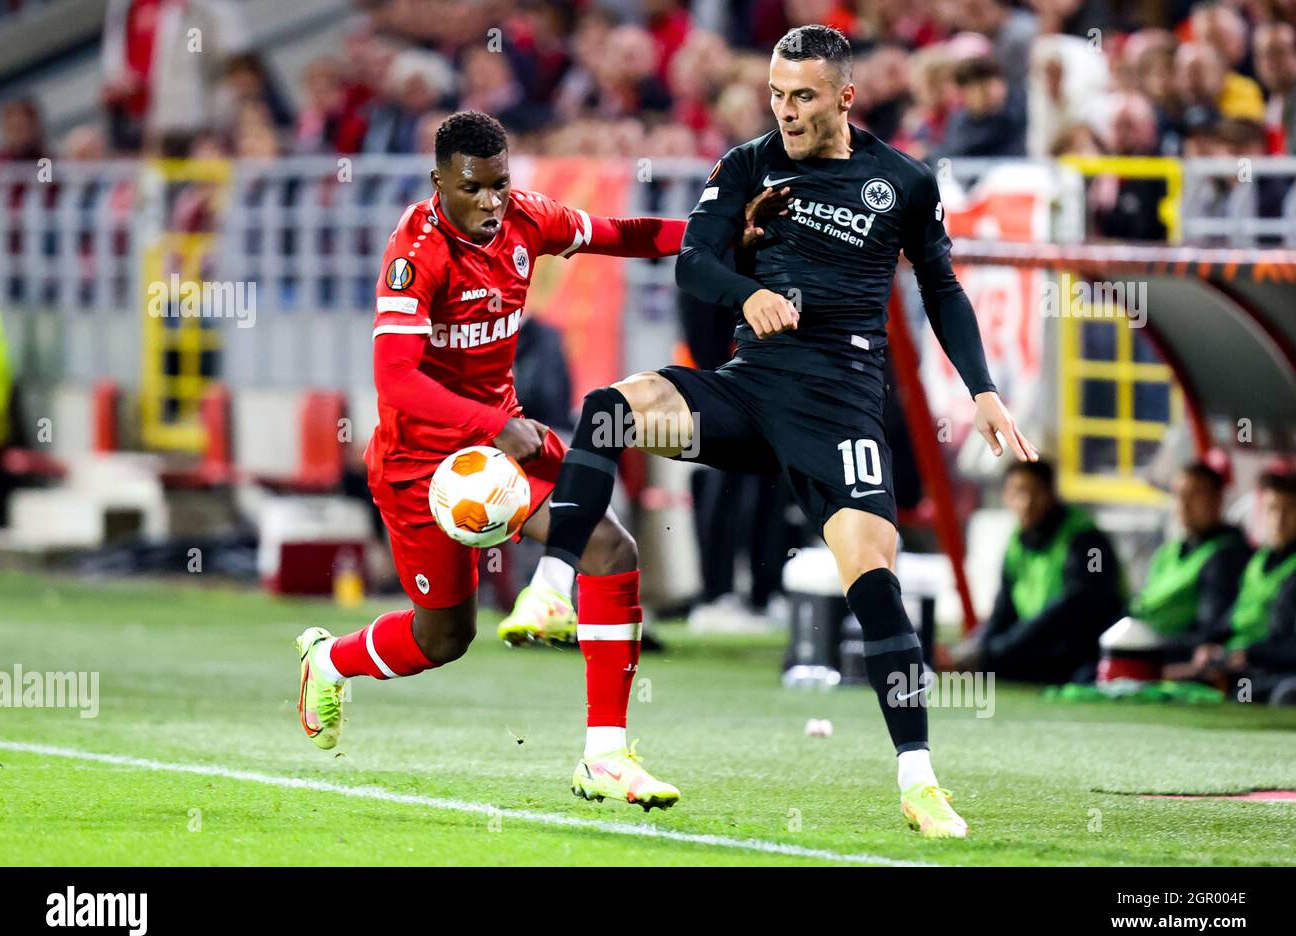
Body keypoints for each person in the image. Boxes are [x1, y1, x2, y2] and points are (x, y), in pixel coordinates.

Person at [515, 25, 1038, 839]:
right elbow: (692, 261)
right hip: (750, 389)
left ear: (844, 97)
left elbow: (942, 287)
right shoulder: (749, 162)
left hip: (840, 407)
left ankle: (920, 781)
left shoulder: (901, 180)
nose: (786, 112)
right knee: (609, 406)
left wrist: (984, 389)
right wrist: (744, 292)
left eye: (802, 96)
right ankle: (550, 589)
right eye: (776, 94)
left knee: (874, 576)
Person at [293, 111, 688, 811]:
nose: (490, 202)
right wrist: (496, 423)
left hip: (498, 449)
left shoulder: (526, 221)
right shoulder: (414, 253)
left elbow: (620, 235)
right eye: (473, 188)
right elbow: (397, 380)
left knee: (607, 544)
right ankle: (328, 660)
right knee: (443, 637)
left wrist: (713, 238)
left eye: (501, 185)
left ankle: (605, 754)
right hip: (421, 465)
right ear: (439, 180)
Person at [953, 459, 1126, 684]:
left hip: (1078, 646)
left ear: (1051, 494)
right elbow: (1004, 607)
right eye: (1017, 493)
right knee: (979, 656)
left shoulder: (1087, 540)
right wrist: (982, 645)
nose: (1026, 502)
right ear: (1006, 497)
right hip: (1036, 641)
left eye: (1035, 492)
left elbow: (1074, 607)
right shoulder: (1018, 540)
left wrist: (1001, 649)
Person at [1166, 470, 1296, 701]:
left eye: (1289, 509)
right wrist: (1210, 644)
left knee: (1268, 695)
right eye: (1272, 509)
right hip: (1240, 661)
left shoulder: (1230, 553)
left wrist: (1251, 654)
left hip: (1268, 668)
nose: (1279, 519)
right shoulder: (1259, 560)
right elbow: (1232, 617)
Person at [1131, 461, 1250, 659]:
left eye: (1195, 494)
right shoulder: (1169, 551)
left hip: (1170, 656)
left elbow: (1209, 630)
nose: (1184, 503)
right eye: (1178, 494)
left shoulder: (1225, 556)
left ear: (1217, 500)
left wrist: (1152, 647)